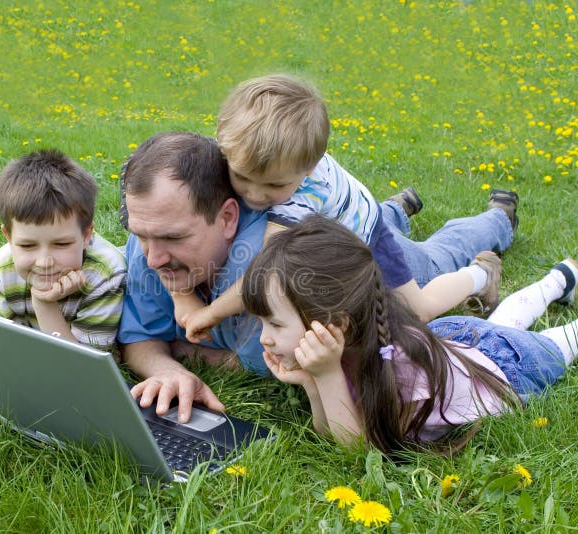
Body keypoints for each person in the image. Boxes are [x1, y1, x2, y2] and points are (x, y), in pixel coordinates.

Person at [179, 73, 516, 342]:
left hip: (364, 234)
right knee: (353, 210)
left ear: (310, 168)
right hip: (344, 209)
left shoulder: (303, 197)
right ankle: (397, 209)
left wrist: (211, 313)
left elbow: (267, 272)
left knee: (417, 309)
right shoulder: (240, 147)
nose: (253, 194)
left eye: (274, 186)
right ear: (222, 139)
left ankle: (481, 271)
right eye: (242, 177)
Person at [241, 214, 578, 455]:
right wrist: (311, 381)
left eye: (276, 324)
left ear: (337, 323)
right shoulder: (352, 346)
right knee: (504, 321)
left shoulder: (402, 371)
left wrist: (326, 375)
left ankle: (556, 284)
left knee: (560, 343)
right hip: (459, 342)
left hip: (508, 368)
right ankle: (560, 279)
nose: (264, 339)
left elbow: (356, 450)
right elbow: (328, 431)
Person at [117, 132, 269, 423]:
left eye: (172, 237)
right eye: (140, 234)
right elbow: (139, 339)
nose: (153, 259)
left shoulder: (265, 260)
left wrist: (187, 350)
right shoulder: (147, 244)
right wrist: (170, 370)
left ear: (227, 219)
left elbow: (267, 365)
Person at [0, 149, 127, 351]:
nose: (44, 262)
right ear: (9, 238)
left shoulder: (106, 273)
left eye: (62, 244)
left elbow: (83, 368)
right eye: (27, 245)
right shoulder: (1, 267)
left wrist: (44, 303)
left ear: (86, 235)